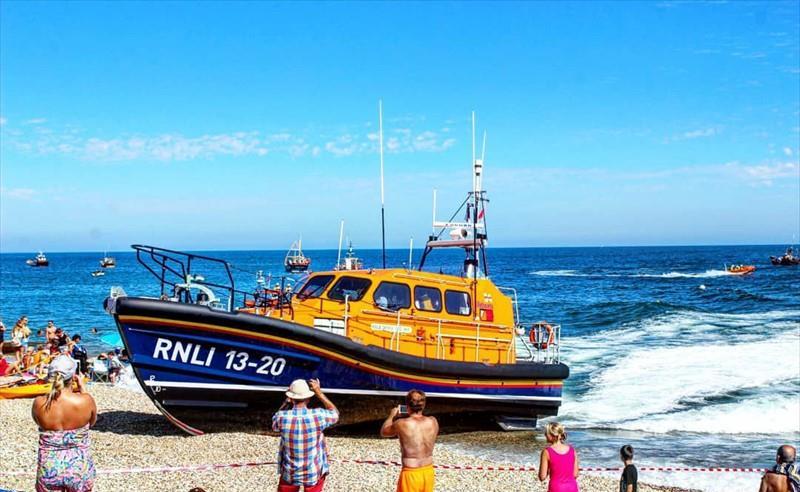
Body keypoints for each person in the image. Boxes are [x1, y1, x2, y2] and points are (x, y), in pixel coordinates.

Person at [32, 355, 97, 492]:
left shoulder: (39, 403)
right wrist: (83, 390)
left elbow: (38, 422)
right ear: (73, 376)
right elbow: (92, 422)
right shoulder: (85, 401)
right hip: (79, 466)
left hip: (49, 466)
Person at [271, 379, 338, 492]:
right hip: (313, 471)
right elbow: (335, 413)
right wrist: (319, 392)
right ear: (308, 398)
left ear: (291, 398)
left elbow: (274, 423)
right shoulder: (318, 415)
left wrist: (287, 401)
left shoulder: (281, 417)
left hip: (290, 471)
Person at [380, 389, 439, 492]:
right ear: (423, 405)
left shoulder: (401, 423)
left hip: (411, 473)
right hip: (428, 471)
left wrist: (392, 415)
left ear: (407, 406)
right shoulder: (433, 421)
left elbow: (384, 432)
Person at [538, 422, 579, 492]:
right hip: (572, 487)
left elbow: (542, 477)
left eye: (546, 433)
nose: (545, 435)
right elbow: (575, 474)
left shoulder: (547, 451)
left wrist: (548, 470)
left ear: (553, 435)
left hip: (556, 488)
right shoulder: (572, 450)